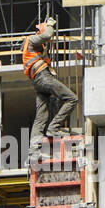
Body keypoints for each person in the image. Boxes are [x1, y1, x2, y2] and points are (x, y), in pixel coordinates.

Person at [22, 17, 79, 156]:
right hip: (43, 78)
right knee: (72, 98)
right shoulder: (31, 39)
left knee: (41, 116)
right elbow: (47, 34)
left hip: (38, 81)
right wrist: (50, 25)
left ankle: (34, 150)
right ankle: (54, 128)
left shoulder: (38, 49)